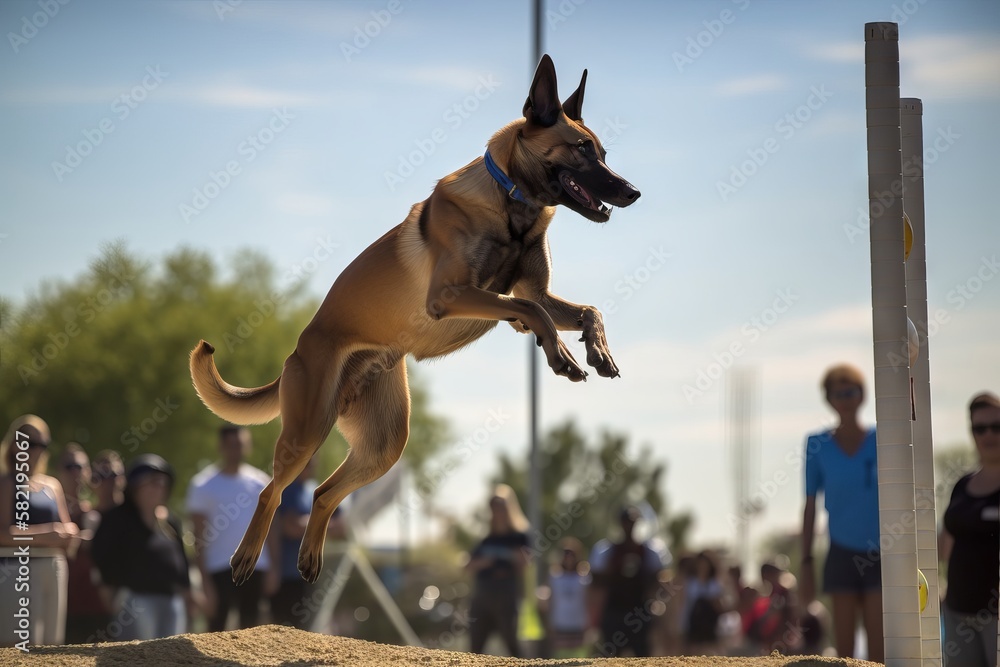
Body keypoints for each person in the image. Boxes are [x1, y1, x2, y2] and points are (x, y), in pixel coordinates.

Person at [800, 363, 883, 662]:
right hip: (841, 551)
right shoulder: (816, 444)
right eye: (839, 393)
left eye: (852, 391)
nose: (846, 399)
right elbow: (810, 505)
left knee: (878, 653)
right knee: (844, 654)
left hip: (880, 551)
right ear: (829, 399)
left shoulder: (883, 438)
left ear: (863, 396)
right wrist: (806, 561)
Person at [186, 425, 279, 632]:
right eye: (230, 445)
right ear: (221, 447)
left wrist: (274, 568)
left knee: (251, 631)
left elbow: (270, 528)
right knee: (216, 632)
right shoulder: (203, 485)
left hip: (254, 567)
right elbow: (198, 537)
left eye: (240, 444)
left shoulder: (260, 483)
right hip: (218, 569)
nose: (235, 449)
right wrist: (204, 581)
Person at [91, 454, 194, 640]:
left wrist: (189, 594)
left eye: (163, 482)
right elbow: (100, 556)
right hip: (135, 603)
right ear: (135, 486)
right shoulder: (117, 519)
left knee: (171, 659)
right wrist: (109, 596)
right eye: (152, 482)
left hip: (172, 602)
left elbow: (182, 563)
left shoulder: (170, 522)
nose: (158, 487)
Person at [0, 415, 80, 647]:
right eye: (28, 443)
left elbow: (64, 527)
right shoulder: (6, 483)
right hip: (18, 568)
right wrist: (47, 535)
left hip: (54, 567)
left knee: (52, 645)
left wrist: (69, 533)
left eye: (41, 445)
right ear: (14, 444)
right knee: (21, 645)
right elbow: (3, 533)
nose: (34, 450)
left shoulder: (52, 485)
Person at [938, 391, 1000, 667]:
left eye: (996, 427)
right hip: (957, 611)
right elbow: (944, 549)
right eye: (979, 428)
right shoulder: (961, 486)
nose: (988, 434)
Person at [270, 456, 346, 630]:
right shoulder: (284, 490)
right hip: (286, 574)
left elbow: (341, 527)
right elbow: (289, 528)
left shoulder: (320, 491)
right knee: (283, 629)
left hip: (314, 574)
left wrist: (306, 523)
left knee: (309, 629)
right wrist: (322, 522)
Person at [588, 505, 667, 658]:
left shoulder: (649, 551)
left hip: (640, 612)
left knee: (642, 656)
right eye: (626, 521)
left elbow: (658, 579)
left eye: (632, 522)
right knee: (611, 656)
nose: (629, 525)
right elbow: (596, 582)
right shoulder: (605, 550)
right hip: (614, 611)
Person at [466, 484, 530, 657]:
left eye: (501, 506)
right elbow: (468, 565)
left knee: (512, 644)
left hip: (507, 595)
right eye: (494, 506)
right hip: (483, 595)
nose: (497, 511)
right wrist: (484, 562)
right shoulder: (486, 540)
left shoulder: (519, 537)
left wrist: (517, 557)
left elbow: (526, 564)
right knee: (475, 648)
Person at [59, 443, 110, 644]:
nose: (75, 472)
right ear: (58, 471)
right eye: (69, 466)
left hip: (96, 608)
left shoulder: (96, 514)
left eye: (79, 467)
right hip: (60, 606)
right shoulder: (48, 513)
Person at [540, 537, 590, 658]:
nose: (568, 557)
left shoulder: (584, 578)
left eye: (572, 554)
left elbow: (589, 601)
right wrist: (547, 623)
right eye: (565, 553)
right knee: (560, 660)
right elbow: (548, 599)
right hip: (559, 625)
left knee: (578, 659)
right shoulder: (554, 576)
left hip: (579, 625)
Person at [680, 550, 725, 655]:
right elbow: (685, 605)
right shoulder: (690, 583)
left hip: (710, 625)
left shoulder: (714, 584)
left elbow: (719, 605)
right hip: (694, 624)